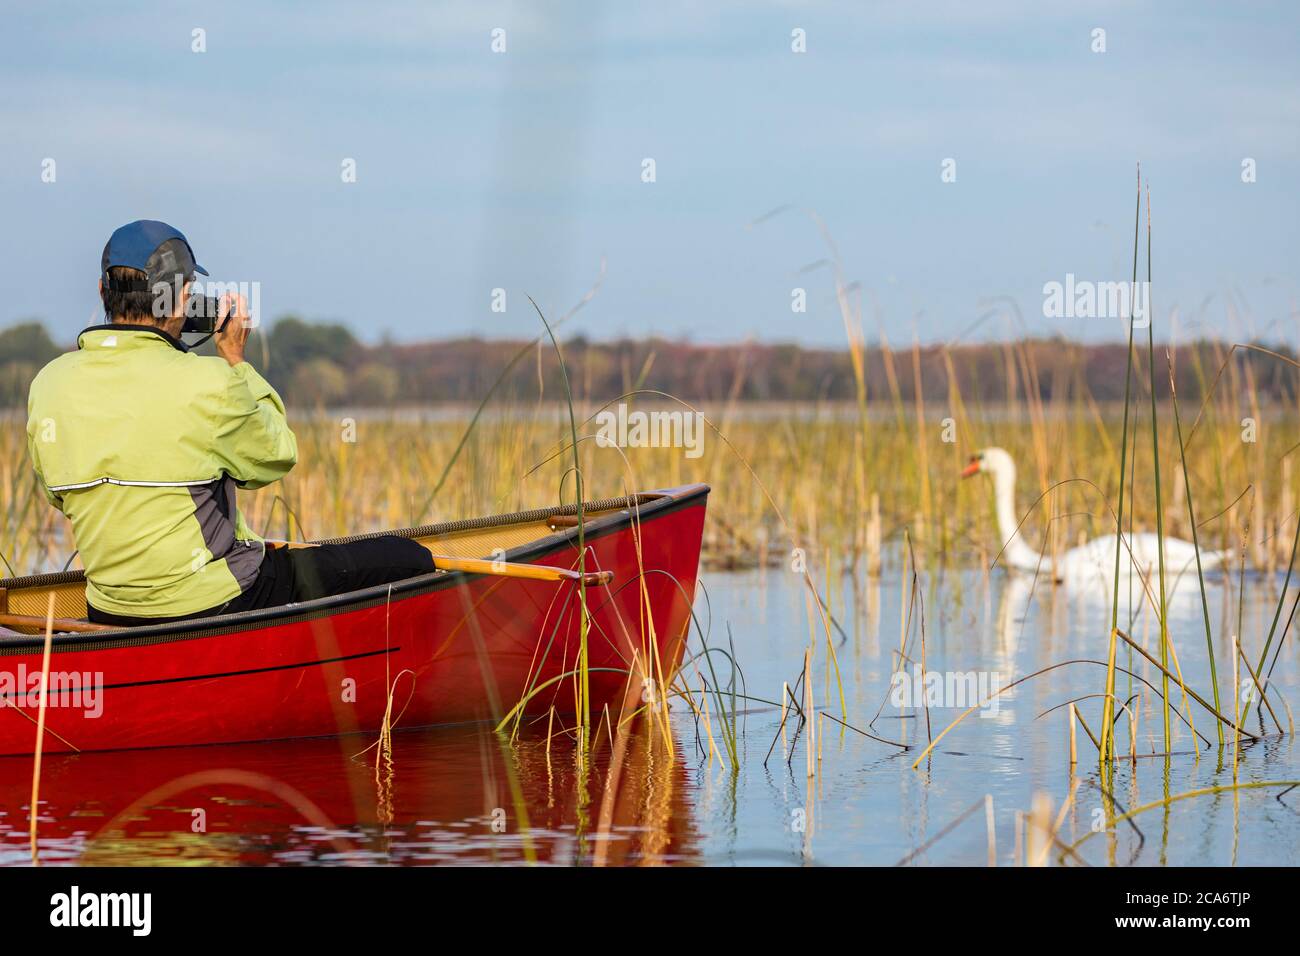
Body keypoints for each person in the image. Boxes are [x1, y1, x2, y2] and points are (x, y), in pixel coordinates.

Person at [26, 220, 434, 627]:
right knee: (407, 557)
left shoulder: (49, 384)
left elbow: (58, 496)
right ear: (184, 297)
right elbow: (275, 456)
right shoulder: (209, 382)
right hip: (216, 602)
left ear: (102, 292)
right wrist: (236, 359)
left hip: (109, 609)